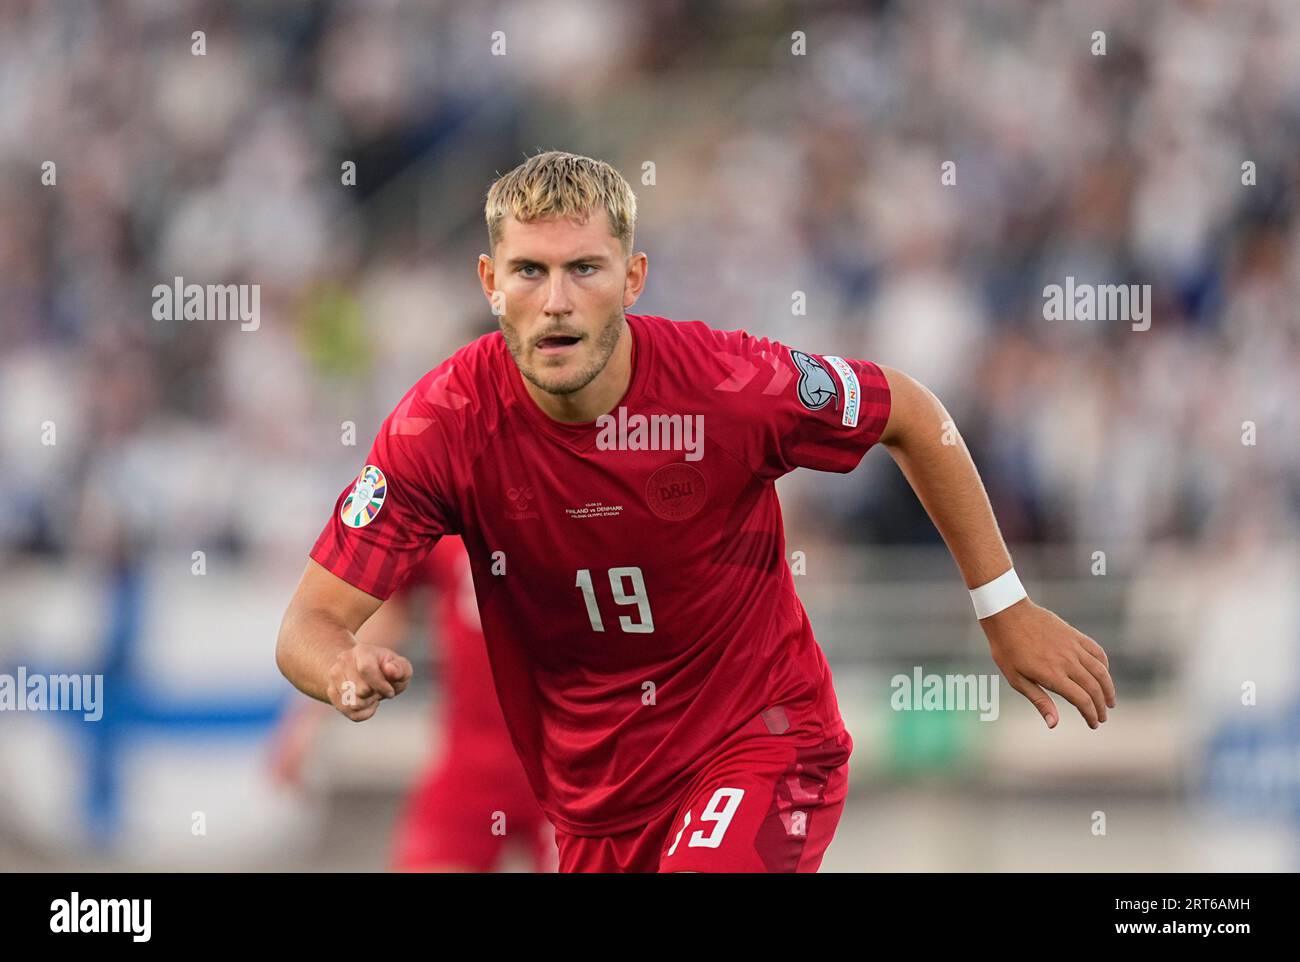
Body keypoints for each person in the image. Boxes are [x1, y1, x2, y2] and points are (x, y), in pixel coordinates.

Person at [276, 150, 1116, 873]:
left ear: (632, 279)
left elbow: (910, 411)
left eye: (586, 269)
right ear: (492, 283)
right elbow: (308, 625)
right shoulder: (441, 426)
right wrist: (341, 668)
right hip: (594, 808)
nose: (557, 300)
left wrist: (1002, 606)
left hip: (760, 742)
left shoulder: (727, 388)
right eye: (530, 270)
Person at [270, 536, 556, 872]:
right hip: (472, 761)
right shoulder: (451, 510)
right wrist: (308, 719)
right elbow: (388, 611)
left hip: (573, 765)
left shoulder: (584, 510)